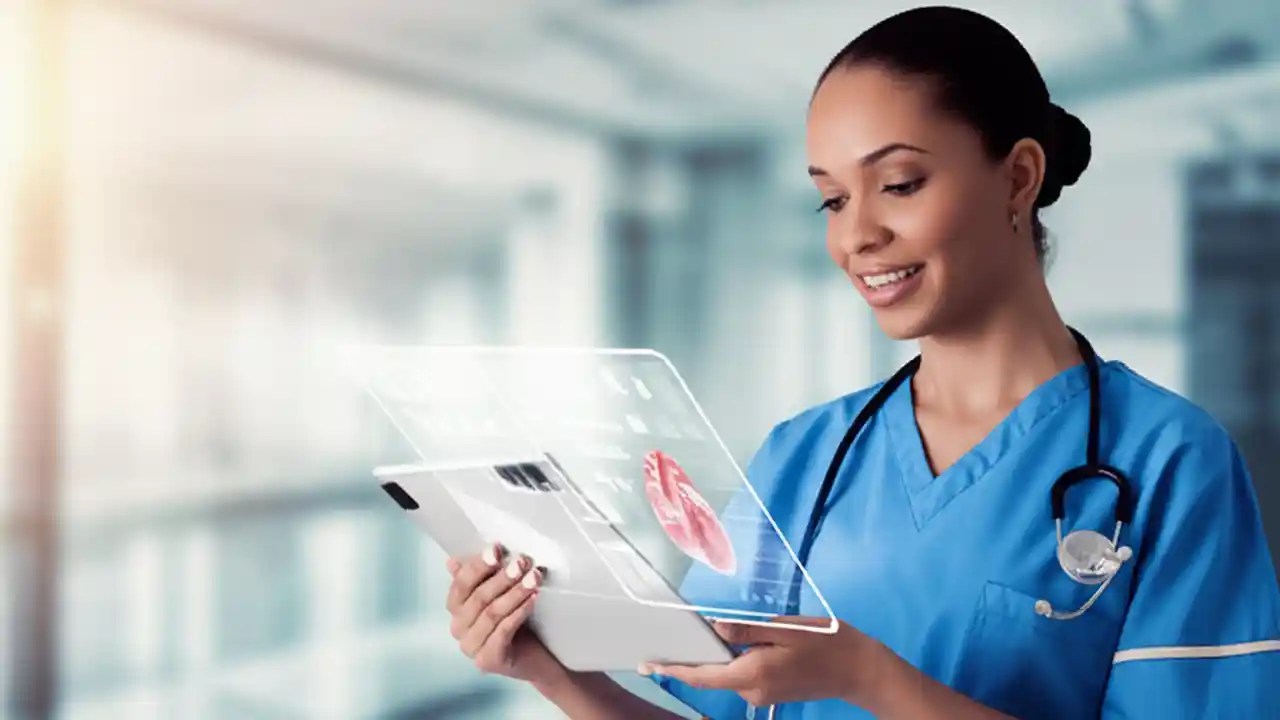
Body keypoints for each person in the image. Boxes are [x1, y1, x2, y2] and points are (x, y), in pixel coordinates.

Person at [441, 6, 1280, 718]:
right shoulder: (803, 458)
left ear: (1018, 178)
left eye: (901, 183)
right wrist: (551, 671)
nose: (856, 236)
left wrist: (867, 676)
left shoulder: (1169, 462)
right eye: (833, 198)